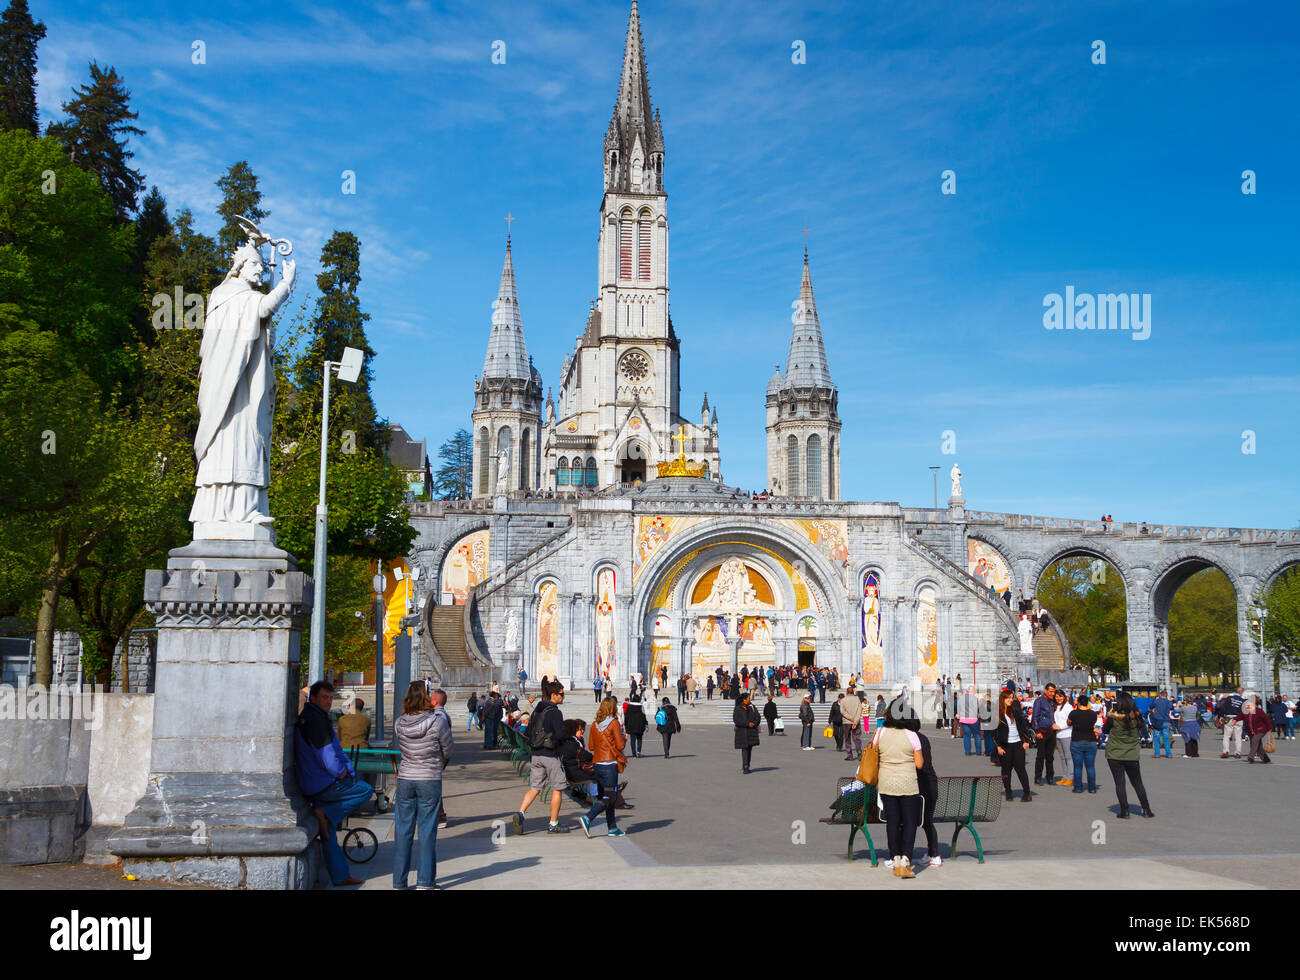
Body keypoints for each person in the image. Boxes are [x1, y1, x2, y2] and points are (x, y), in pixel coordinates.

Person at [294, 681, 371, 887]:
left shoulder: (311, 717)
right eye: (324, 698)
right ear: (313, 698)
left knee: (328, 833)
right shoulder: (316, 721)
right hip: (322, 783)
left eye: (330, 698)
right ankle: (327, 814)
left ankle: (339, 875)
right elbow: (328, 757)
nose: (328, 702)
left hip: (311, 783)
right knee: (365, 790)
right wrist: (342, 772)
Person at [392, 683, 453, 890]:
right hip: (429, 778)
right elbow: (447, 749)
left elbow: (402, 748)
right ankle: (425, 881)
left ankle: (399, 882)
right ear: (427, 698)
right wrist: (438, 764)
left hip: (406, 778)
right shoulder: (437, 722)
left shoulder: (399, 723)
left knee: (402, 831)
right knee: (427, 832)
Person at [872, 697, 925, 878]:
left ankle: (894, 858)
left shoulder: (880, 733)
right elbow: (919, 764)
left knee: (893, 821)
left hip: (886, 782)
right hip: (907, 782)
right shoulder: (912, 735)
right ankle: (906, 860)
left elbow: (873, 756)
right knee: (910, 822)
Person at [513, 681, 571, 835]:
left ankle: (521, 813)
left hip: (536, 754)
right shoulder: (555, 712)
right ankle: (553, 823)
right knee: (558, 788)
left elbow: (529, 731)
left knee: (535, 788)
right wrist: (566, 739)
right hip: (550, 754)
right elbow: (559, 734)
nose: (563, 696)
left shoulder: (538, 710)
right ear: (554, 695)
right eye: (562, 694)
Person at [900, 708, 941, 867]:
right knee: (927, 821)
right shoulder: (923, 737)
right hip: (931, 782)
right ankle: (934, 853)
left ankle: (903, 853)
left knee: (908, 820)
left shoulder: (908, 739)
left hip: (918, 784)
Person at [582, 696, 628, 838]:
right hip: (609, 764)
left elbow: (590, 746)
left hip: (597, 764)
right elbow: (620, 746)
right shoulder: (614, 723)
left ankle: (612, 827)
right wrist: (624, 738)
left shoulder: (595, 724)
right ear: (613, 708)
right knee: (610, 796)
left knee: (608, 796)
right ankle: (588, 817)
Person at [1103, 692, 1153, 818]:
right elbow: (1143, 729)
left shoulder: (1113, 718)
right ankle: (1146, 809)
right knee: (1137, 783)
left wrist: (1110, 714)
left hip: (1114, 753)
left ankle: (1124, 811)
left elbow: (1104, 730)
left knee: (1120, 783)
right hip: (1131, 753)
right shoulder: (1137, 717)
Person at [994, 689, 1034, 802]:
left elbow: (1023, 726)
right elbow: (993, 732)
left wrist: (1026, 741)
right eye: (1008, 698)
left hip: (1017, 744)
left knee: (1021, 769)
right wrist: (998, 746)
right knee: (1006, 770)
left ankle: (1027, 792)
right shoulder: (997, 713)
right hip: (1005, 745)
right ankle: (1008, 791)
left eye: (1012, 697)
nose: (1011, 700)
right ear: (1003, 699)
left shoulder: (1016, 711)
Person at [1031, 683, 1057, 785]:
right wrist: (1037, 731)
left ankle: (1050, 777)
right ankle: (1038, 777)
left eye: (1054, 691)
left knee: (1050, 756)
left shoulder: (1053, 701)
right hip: (1042, 732)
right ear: (1045, 690)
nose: (1052, 693)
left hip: (1052, 732)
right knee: (1040, 756)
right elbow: (1035, 717)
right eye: (1051, 691)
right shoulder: (1039, 701)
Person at [734, 691, 761, 774]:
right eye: (748, 698)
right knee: (745, 749)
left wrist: (754, 723)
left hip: (751, 731)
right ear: (744, 700)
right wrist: (747, 723)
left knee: (749, 749)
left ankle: (747, 765)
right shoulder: (738, 708)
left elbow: (758, 717)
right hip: (742, 732)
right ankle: (745, 766)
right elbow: (736, 720)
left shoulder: (752, 707)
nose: (750, 699)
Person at [1050, 688, 1073, 784]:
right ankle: (1065, 776)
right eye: (1056, 696)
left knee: (1068, 756)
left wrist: (1060, 727)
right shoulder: (1055, 707)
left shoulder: (1068, 707)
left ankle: (1071, 777)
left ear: (1064, 697)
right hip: (1058, 735)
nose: (1058, 698)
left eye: (1060, 696)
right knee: (1062, 757)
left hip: (1067, 734)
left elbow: (1070, 721)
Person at [1216, 687, 1247, 758]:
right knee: (1238, 736)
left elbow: (1223, 708)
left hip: (1228, 717)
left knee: (1226, 736)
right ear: (1242, 692)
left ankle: (1225, 751)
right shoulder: (1243, 700)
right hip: (1238, 718)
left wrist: (1220, 717)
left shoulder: (1229, 698)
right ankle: (1237, 752)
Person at [1244, 698, 1272, 764]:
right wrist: (1235, 719)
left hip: (1261, 729)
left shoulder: (1259, 711)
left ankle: (1251, 756)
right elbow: (1241, 715)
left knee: (1254, 740)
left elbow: (1266, 719)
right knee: (1258, 745)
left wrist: (1270, 728)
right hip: (1252, 730)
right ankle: (1265, 758)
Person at [1148, 689, 1174, 758]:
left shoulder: (1156, 701)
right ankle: (1168, 754)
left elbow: (1150, 707)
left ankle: (1157, 753)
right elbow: (1172, 708)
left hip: (1157, 721)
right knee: (1166, 738)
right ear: (1166, 696)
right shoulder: (1169, 702)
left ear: (1160, 695)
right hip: (1166, 721)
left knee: (1156, 738)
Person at [840, 686, 863, 760]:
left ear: (846, 692)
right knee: (857, 738)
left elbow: (842, 712)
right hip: (856, 721)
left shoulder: (843, 700)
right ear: (853, 692)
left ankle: (850, 755)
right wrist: (855, 720)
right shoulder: (857, 699)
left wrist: (851, 718)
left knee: (847, 739)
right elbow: (859, 710)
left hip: (847, 721)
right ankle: (859, 751)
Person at [957, 687, 981, 756]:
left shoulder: (961, 698)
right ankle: (978, 752)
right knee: (977, 735)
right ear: (972, 691)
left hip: (964, 719)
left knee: (967, 736)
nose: (975, 692)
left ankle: (967, 752)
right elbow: (977, 709)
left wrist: (960, 715)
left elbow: (959, 709)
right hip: (973, 719)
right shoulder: (974, 698)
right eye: (974, 691)